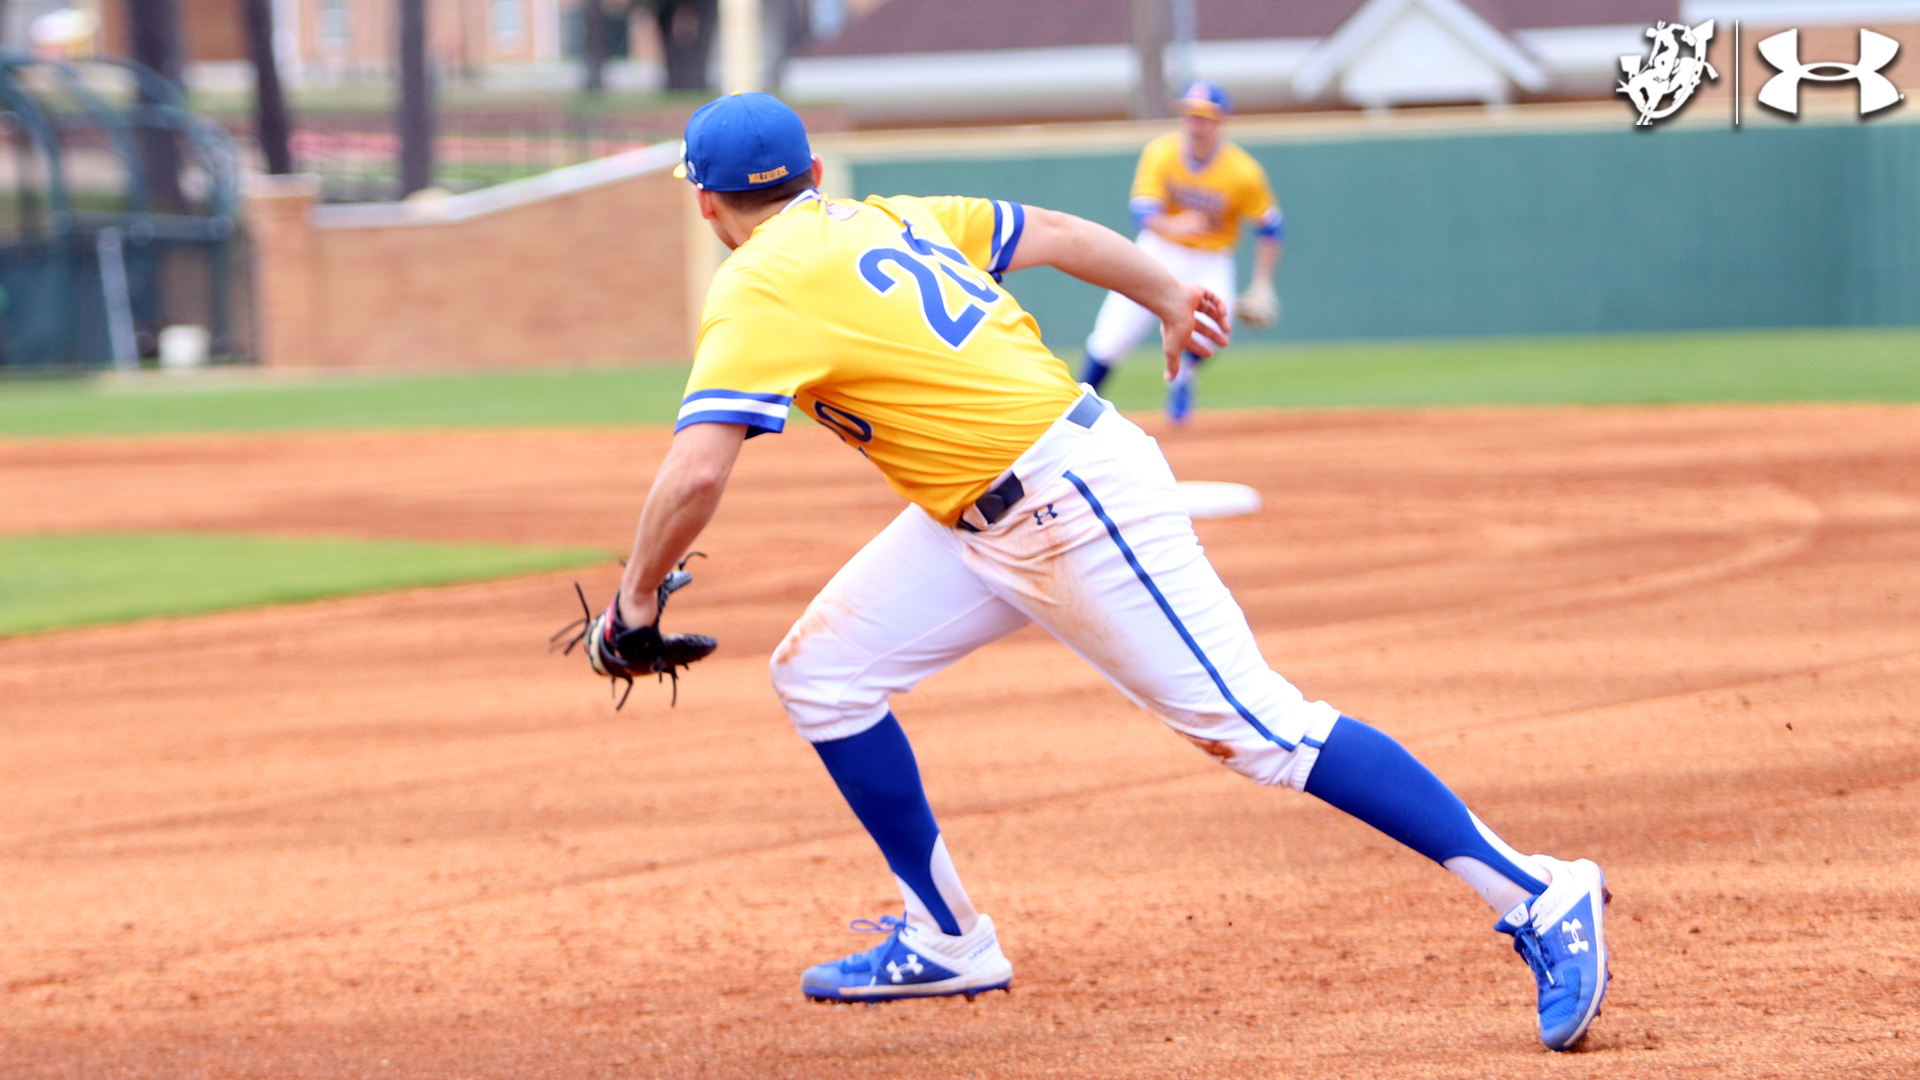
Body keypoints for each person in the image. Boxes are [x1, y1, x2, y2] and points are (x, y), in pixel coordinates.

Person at [593, 92, 1609, 1051]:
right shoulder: (888, 216)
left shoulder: (756, 282)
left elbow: (695, 472)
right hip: (984, 514)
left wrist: (634, 599)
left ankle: (1535, 890)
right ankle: (947, 937)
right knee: (824, 673)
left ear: (707, 202)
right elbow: (1061, 234)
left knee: (1260, 729)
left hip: (1067, 501)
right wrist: (1169, 290)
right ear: (813, 170)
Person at [1080, 80, 1282, 424]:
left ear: (1221, 121)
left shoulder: (1242, 171)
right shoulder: (1162, 152)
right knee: (1111, 337)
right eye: (1190, 113)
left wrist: (1263, 282)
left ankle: (1184, 376)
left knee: (1216, 328)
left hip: (1210, 260)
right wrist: (1176, 225)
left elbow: (1271, 227)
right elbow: (1142, 214)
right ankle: (1077, 407)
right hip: (1159, 252)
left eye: (1204, 115)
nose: (1195, 122)